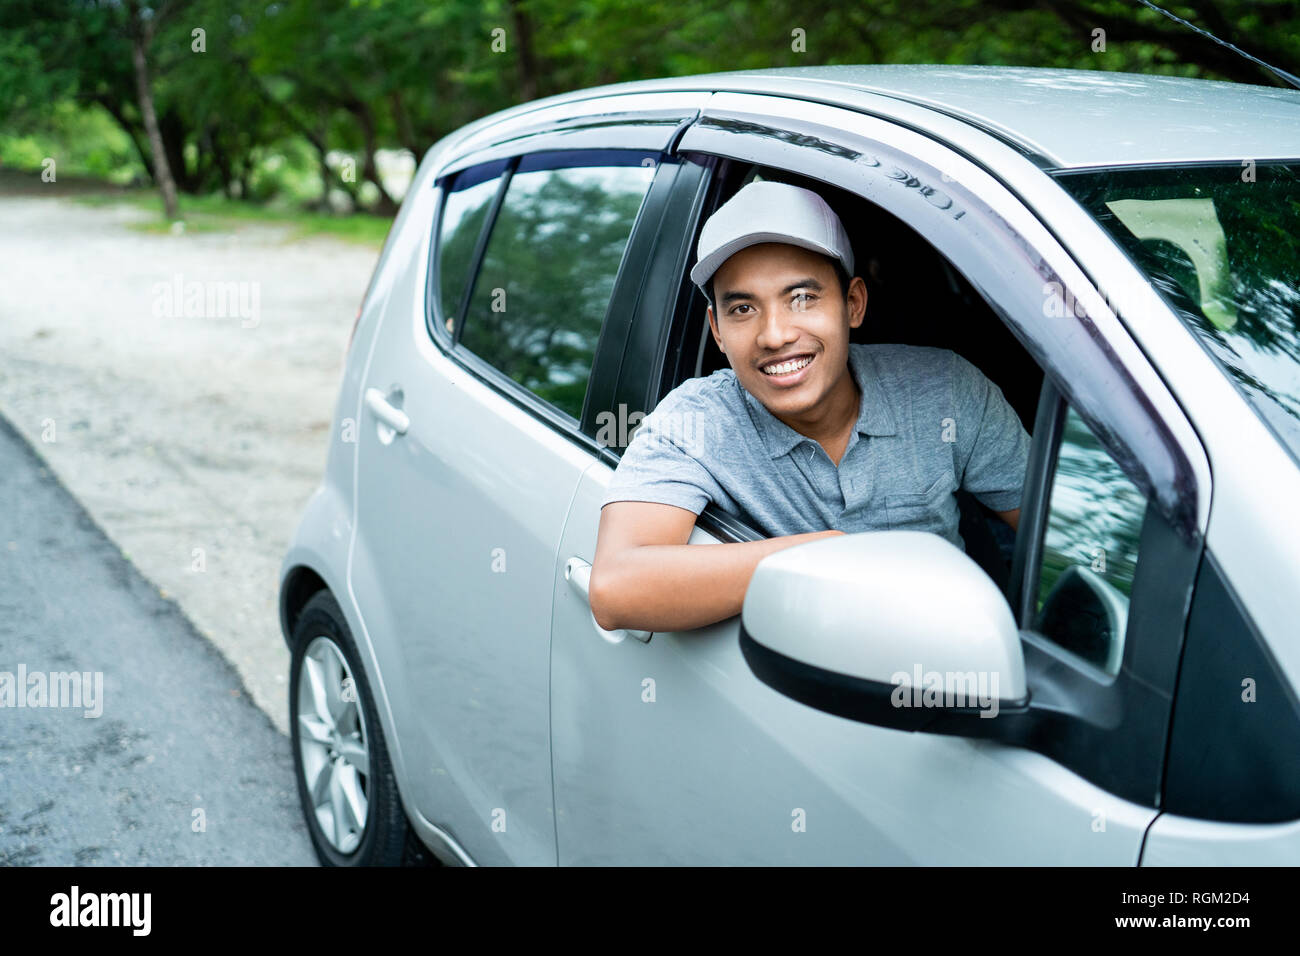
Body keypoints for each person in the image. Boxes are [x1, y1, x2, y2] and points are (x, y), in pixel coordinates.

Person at [589, 180, 1028, 634]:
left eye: (802, 298)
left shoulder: (945, 391)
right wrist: (829, 555)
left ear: (853, 304)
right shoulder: (696, 422)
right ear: (716, 330)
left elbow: (1060, 539)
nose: (775, 335)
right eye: (742, 309)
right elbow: (615, 588)